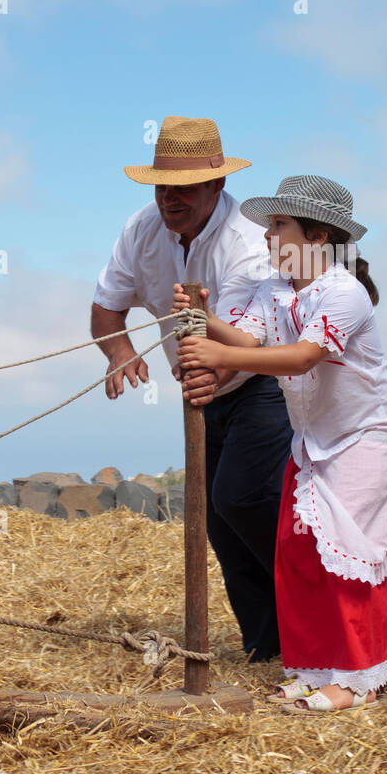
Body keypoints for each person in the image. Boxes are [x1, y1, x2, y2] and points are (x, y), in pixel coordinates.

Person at [175, 175, 387, 713]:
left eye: (279, 225)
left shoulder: (345, 293)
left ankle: (357, 675)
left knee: (347, 557)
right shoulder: (274, 290)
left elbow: (302, 357)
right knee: (301, 556)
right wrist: (206, 318)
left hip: (364, 440)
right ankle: (315, 667)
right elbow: (249, 339)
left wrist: (218, 358)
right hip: (314, 441)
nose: (267, 236)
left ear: (316, 236)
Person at [91, 116, 293, 661]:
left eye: (182, 187)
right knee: (218, 524)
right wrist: (119, 350)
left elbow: (239, 344)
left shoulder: (248, 243)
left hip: (259, 385)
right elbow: (107, 306)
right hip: (200, 395)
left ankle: (308, 613)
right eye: (161, 185)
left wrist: (215, 374)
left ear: (216, 185)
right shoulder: (140, 230)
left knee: (242, 499)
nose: (168, 198)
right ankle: (267, 647)